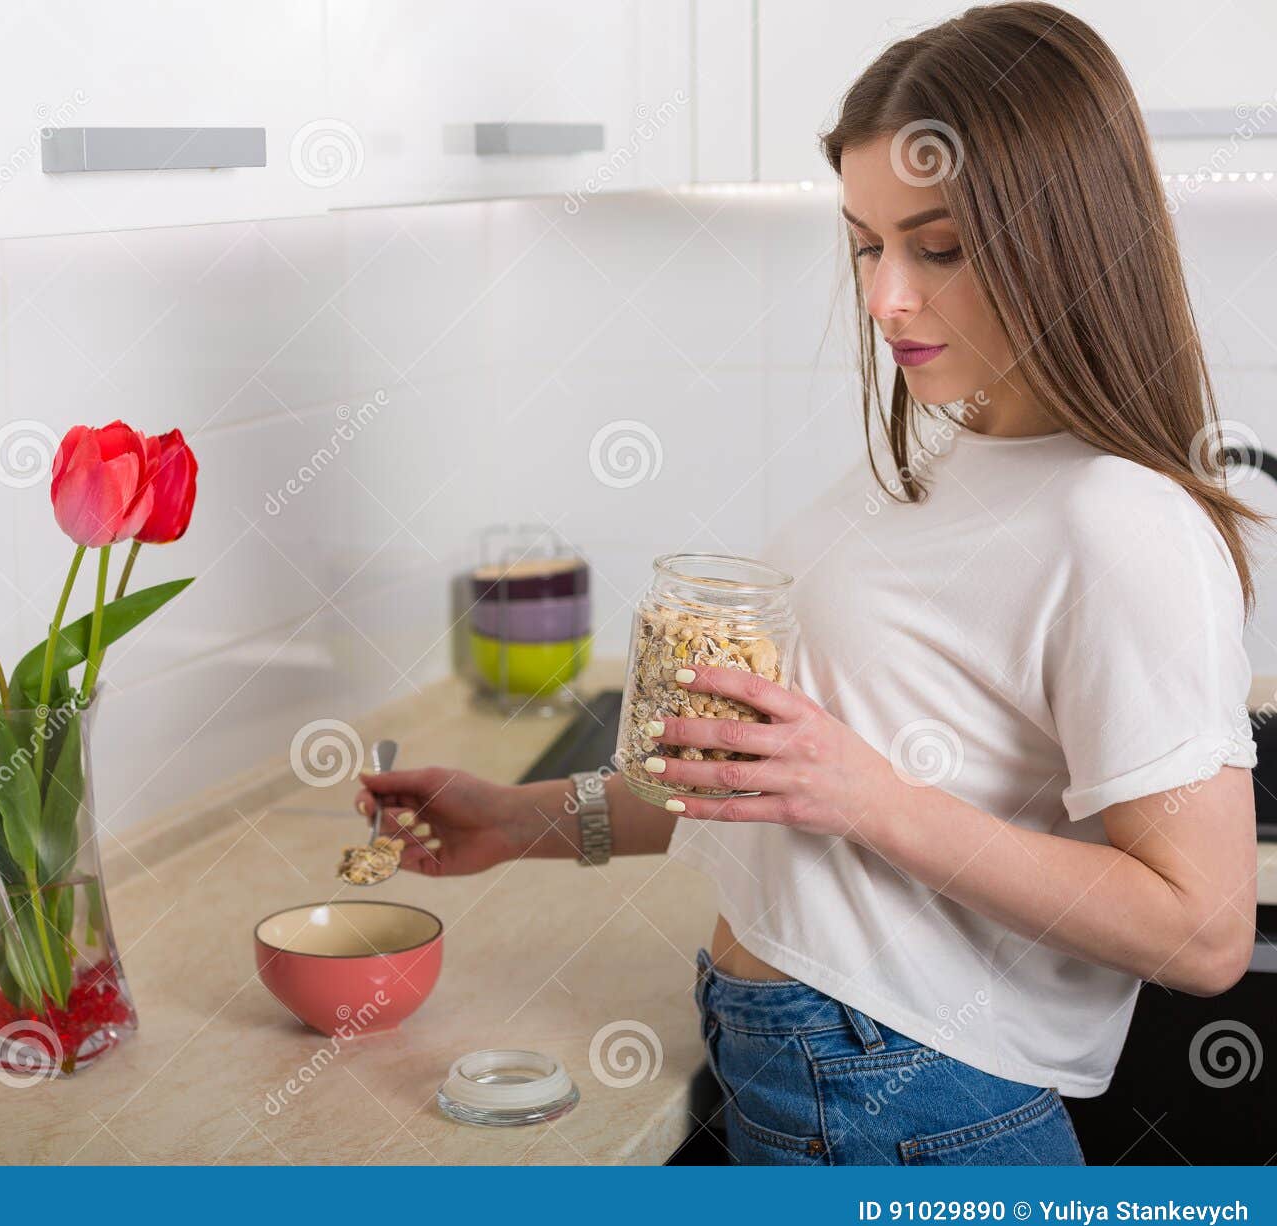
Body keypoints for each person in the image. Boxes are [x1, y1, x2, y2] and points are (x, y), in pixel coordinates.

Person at [356, 2, 1261, 1166]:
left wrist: (872, 795)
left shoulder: (1119, 521)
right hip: (804, 1065)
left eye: (936, 246)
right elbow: (780, 782)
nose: (885, 296)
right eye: (864, 243)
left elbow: (1200, 927)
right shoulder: (942, 448)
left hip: (915, 1108)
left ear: (1066, 236)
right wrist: (524, 818)